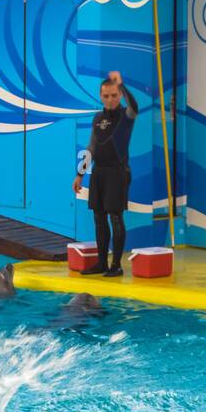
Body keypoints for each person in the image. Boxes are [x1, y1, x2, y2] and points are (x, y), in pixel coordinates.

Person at [72, 71, 138, 276]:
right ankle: (102, 263)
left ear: (119, 96)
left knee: (115, 217)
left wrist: (123, 85)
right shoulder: (97, 118)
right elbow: (91, 147)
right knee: (99, 218)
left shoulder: (126, 116)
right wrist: (80, 174)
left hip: (118, 173)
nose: (110, 99)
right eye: (106, 96)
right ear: (101, 96)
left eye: (114, 95)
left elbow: (135, 107)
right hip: (99, 173)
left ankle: (116, 265)